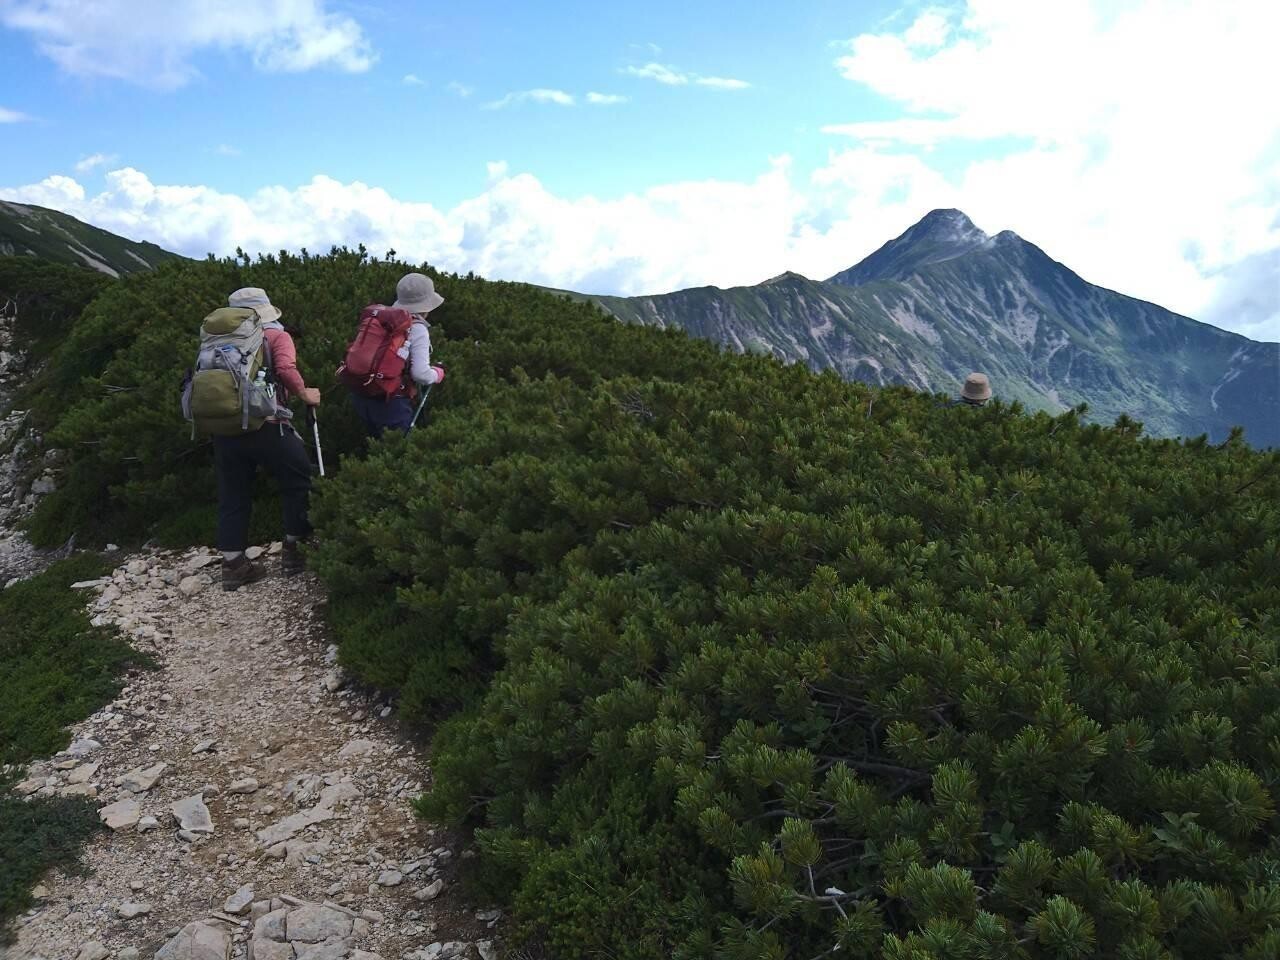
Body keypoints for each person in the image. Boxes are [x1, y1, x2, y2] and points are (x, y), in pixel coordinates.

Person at [214, 287, 321, 590]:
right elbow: (285, 368)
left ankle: (233, 565)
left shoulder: (216, 340)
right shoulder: (275, 335)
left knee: (232, 493)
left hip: (225, 427)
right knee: (298, 478)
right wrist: (304, 394)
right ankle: (293, 552)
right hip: (269, 424)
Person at [349, 273, 447, 438]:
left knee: (375, 449)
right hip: (390, 402)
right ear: (427, 306)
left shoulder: (383, 319)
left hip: (361, 395)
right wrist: (437, 374)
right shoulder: (418, 329)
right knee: (399, 453)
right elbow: (420, 374)